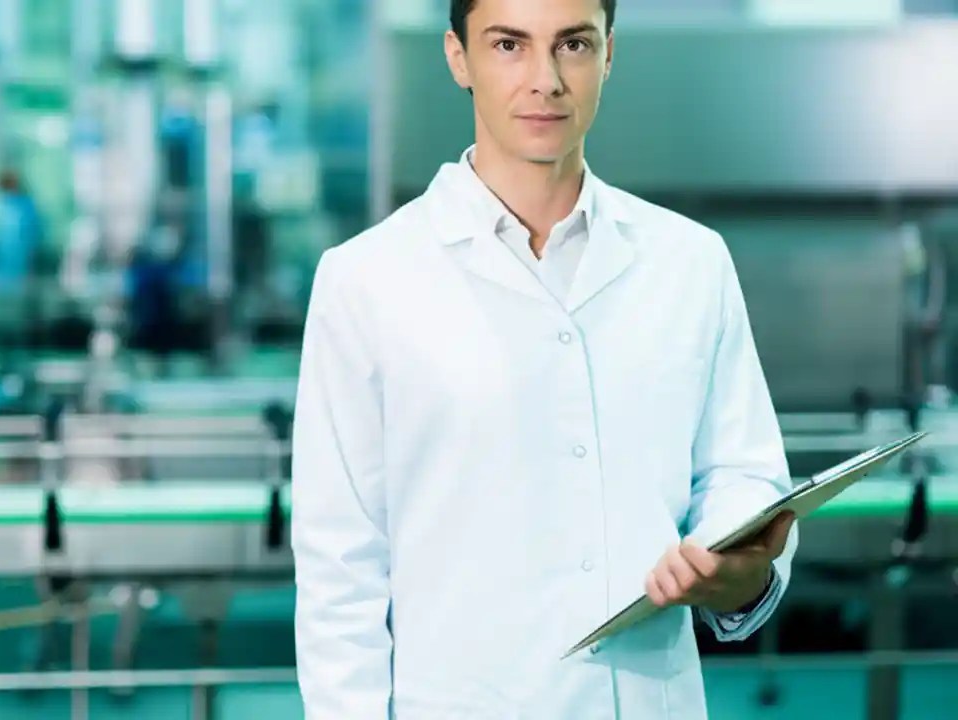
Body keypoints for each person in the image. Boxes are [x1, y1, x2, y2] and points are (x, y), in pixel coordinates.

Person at [290, 0, 798, 718]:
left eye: (573, 45)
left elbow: (742, 474)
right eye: (509, 45)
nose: (545, 79)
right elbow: (341, 570)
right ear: (458, 57)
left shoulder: (690, 262)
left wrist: (734, 569)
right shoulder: (366, 280)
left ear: (609, 54)